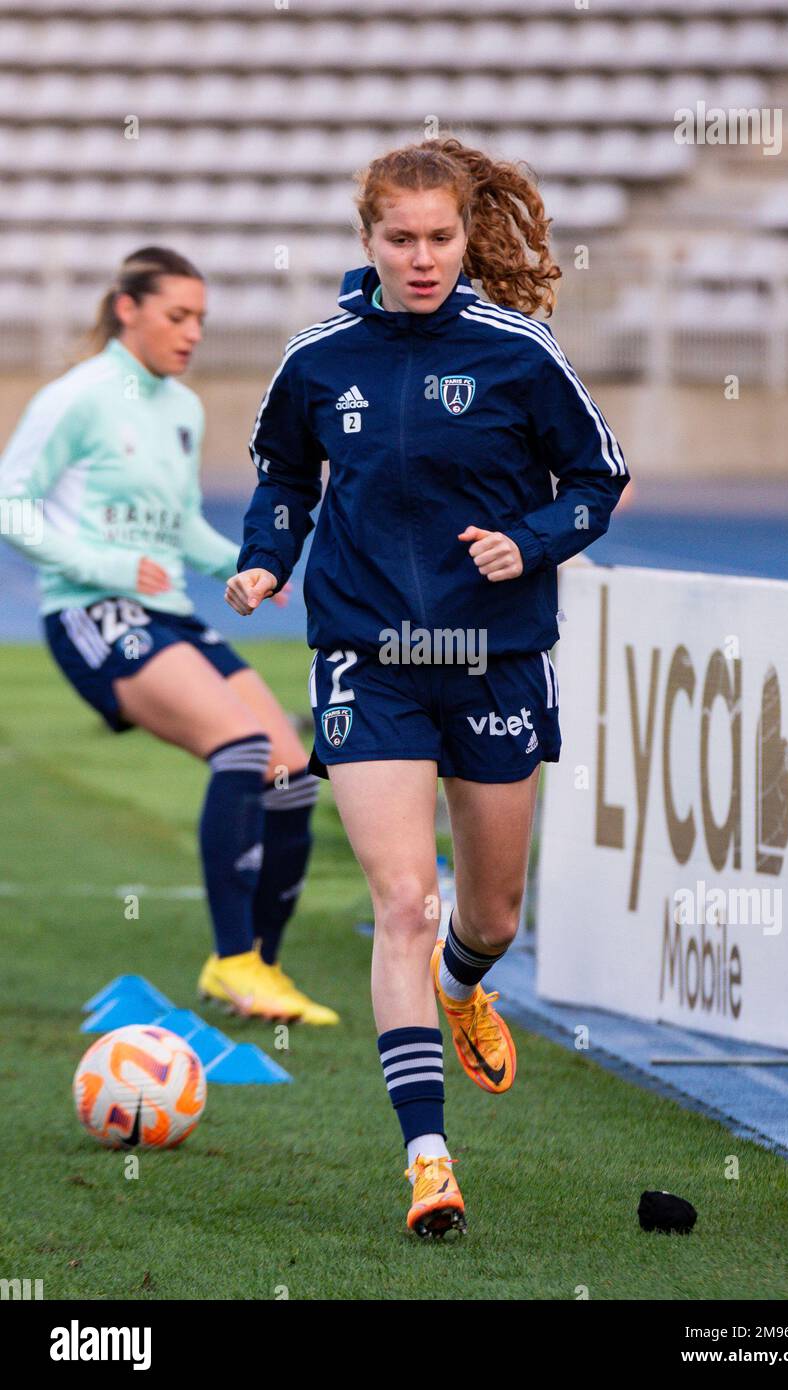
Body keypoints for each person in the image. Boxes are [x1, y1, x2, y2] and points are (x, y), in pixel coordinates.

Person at [226, 137, 630, 1236]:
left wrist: (531, 539)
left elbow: (600, 477)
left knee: (488, 916)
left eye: (438, 238)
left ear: (464, 236)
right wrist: (268, 554)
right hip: (366, 658)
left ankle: (465, 986)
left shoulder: (520, 352)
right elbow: (282, 475)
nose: (418, 257)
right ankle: (427, 1158)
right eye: (397, 238)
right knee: (404, 902)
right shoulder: (317, 358)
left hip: (494, 657)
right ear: (365, 239)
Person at [0, 246, 337, 1026]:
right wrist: (104, 561)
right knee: (243, 749)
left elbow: (180, 523)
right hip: (91, 614)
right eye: (177, 316)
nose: (192, 335)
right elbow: (11, 503)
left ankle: (262, 969)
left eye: (201, 321)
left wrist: (254, 564)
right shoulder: (76, 397)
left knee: (290, 767)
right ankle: (230, 960)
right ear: (129, 309)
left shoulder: (182, 408)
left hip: (164, 616)